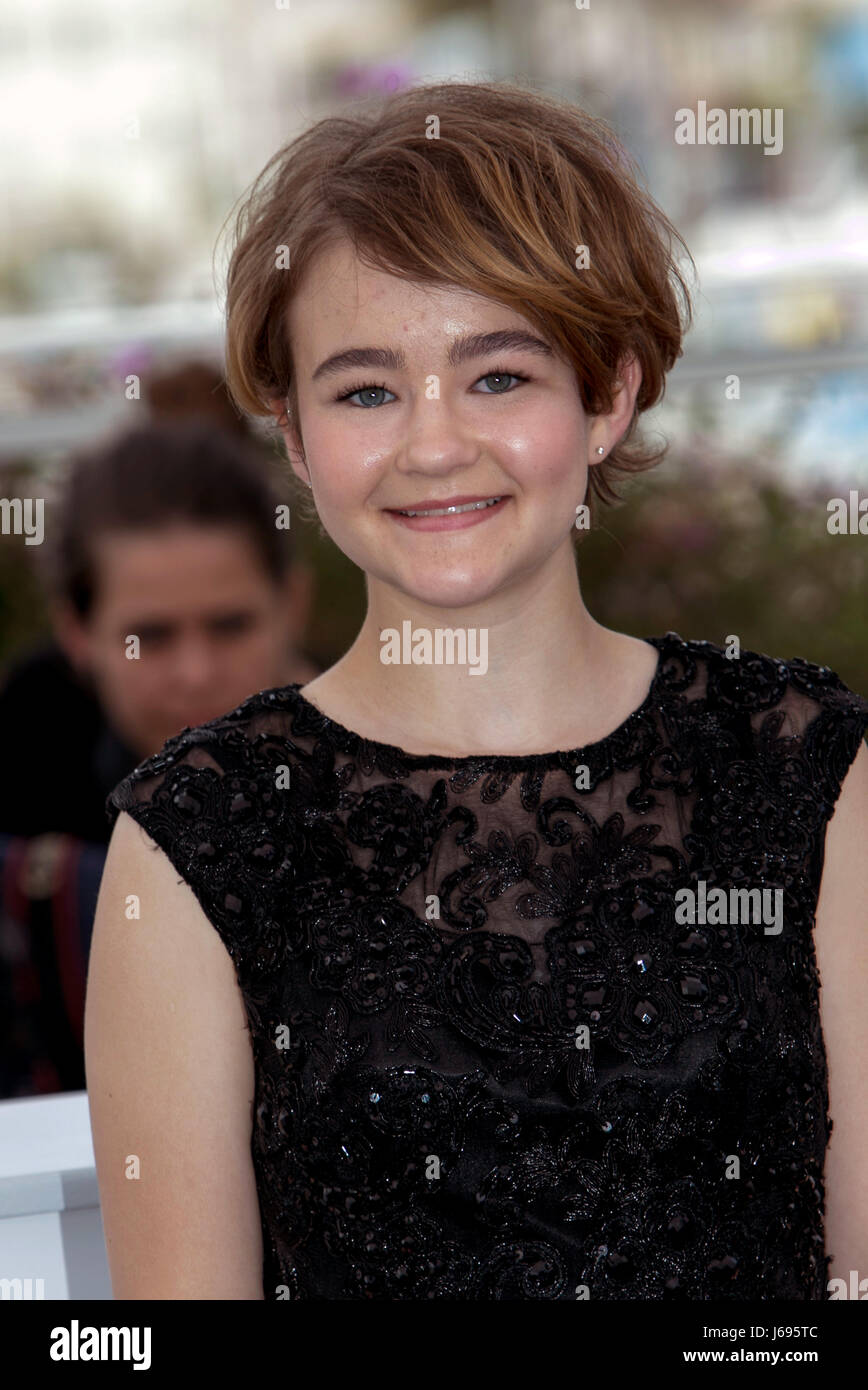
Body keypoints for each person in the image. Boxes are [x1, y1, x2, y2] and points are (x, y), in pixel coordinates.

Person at [86, 79, 868, 1301]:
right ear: (294, 436)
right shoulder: (200, 838)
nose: (434, 443)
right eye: (365, 390)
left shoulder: (807, 774)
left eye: (497, 375)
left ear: (606, 393)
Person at [0, 416, 319, 1096]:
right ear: (76, 633)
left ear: (292, 604)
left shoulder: (395, 782)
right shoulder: (20, 800)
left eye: (230, 625)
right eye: (153, 636)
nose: (196, 672)